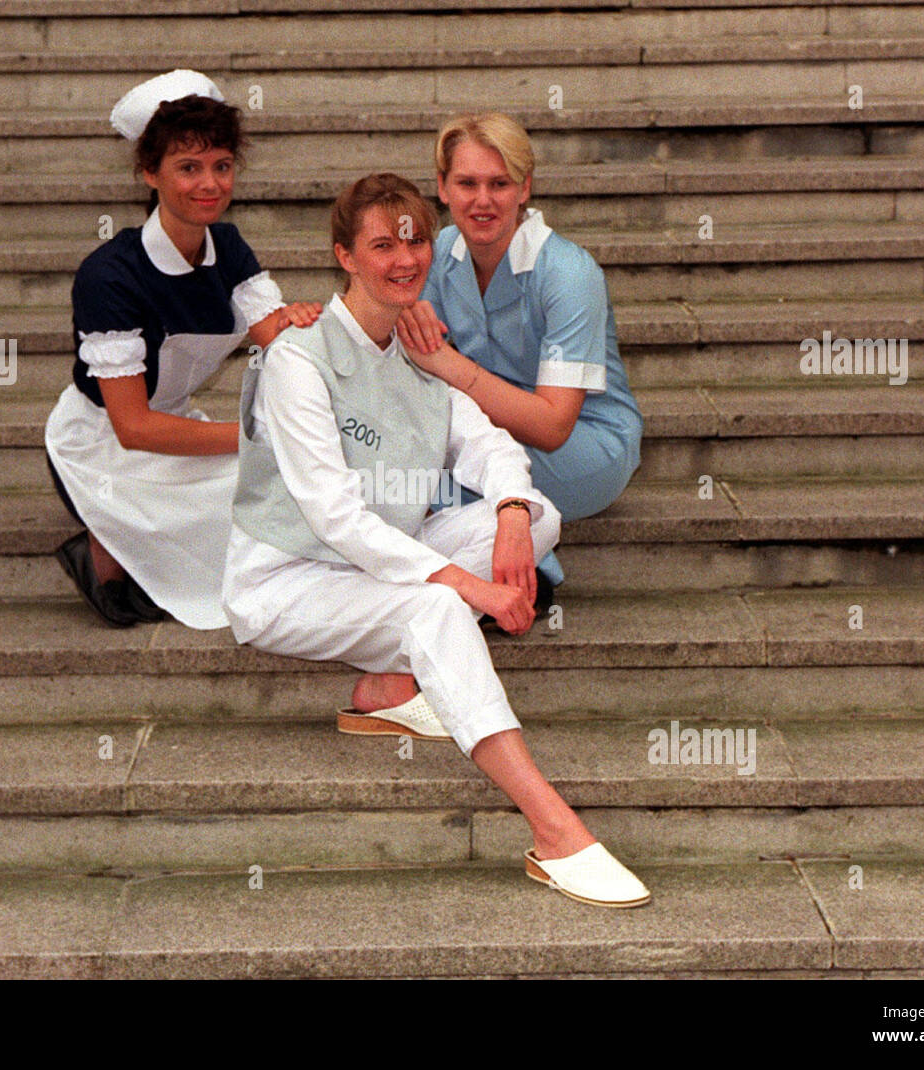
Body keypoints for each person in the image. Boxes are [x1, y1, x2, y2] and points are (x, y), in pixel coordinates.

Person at [221, 173, 650, 908]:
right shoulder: (298, 358)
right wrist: (470, 587)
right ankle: (556, 832)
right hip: (285, 578)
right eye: (382, 245)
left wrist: (513, 509)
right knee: (439, 613)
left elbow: (490, 447)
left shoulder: (416, 344)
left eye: (414, 240)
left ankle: (388, 688)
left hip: (379, 563)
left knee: (538, 514)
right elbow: (336, 518)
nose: (403, 259)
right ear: (345, 257)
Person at [44, 69, 321, 628]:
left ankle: (143, 540)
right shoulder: (111, 277)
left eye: (222, 166)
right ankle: (105, 548)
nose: (210, 184)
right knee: (263, 497)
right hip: (104, 444)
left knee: (285, 498)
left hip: (180, 428)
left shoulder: (229, 247)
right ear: (150, 173)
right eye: (188, 168)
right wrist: (255, 439)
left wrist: (316, 323)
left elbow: (278, 339)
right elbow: (134, 428)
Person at [397, 112, 644, 594]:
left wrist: (446, 363)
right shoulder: (441, 251)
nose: (483, 200)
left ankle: (519, 575)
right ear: (443, 189)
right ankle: (521, 570)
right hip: (493, 430)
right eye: (466, 183)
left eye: (500, 183)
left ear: (525, 188)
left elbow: (552, 427)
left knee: (425, 472)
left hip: (584, 443)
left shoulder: (568, 274)